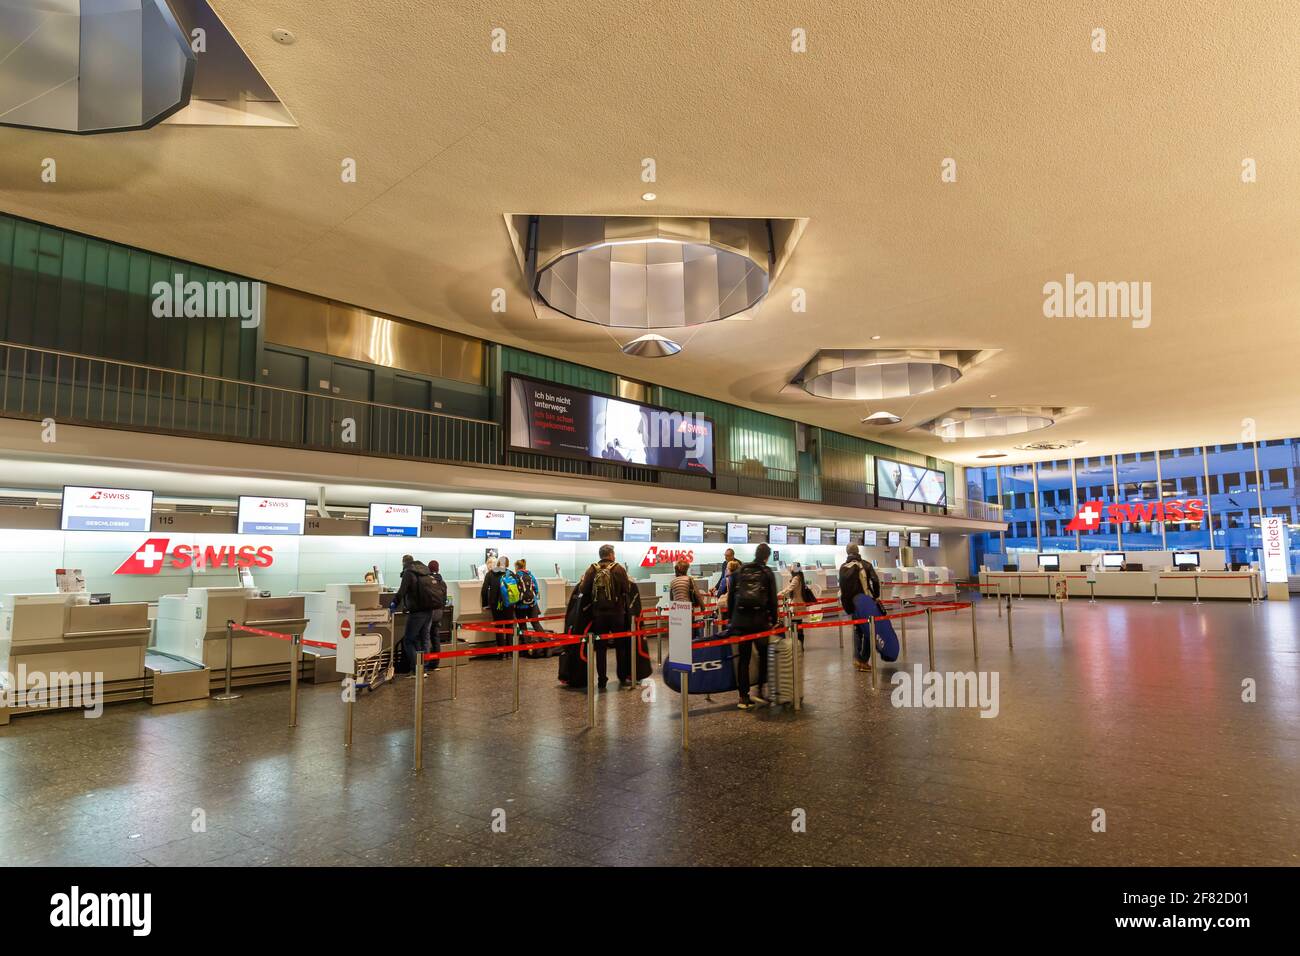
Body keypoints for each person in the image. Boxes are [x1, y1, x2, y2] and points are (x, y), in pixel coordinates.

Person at [577, 544, 636, 689]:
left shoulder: (592, 569)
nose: (614, 556)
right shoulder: (618, 568)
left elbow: (583, 590)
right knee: (620, 646)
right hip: (617, 613)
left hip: (599, 614)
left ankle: (602, 680)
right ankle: (622, 676)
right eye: (613, 553)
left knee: (601, 647)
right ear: (610, 554)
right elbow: (627, 589)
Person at [728, 543, 779, 710]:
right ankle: (760, 691)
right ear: (767, 556)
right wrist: (773, 620)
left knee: (744, 659)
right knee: (764, 655)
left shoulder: (739, 571)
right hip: (760, 621)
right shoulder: (767, 572)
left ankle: (743, 697)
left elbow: (731, 599)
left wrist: (731, 619)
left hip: (741, 621)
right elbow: (772, 599)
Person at [839, 543, 882, 672]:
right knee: (869, 631)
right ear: (857, 551)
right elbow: (875, 580)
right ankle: (863, 660)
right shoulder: (866, 564)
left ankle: (857, 659)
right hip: (865, 602)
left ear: (847, 553)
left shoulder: (843, 567)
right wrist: (876, 596)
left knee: (857, 630)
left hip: (851, 603)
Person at [392, 554, 435, 676]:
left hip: (417, 612)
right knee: (424, 639)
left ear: (404, 563)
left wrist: (394, 604)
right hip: (429, 610)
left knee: (408, 640)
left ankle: (417, 669)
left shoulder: (408, 572)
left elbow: (402, 591)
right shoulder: (424, 570)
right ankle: (424, 668)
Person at [480, 556, 516, 660]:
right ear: (507, 564)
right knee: (509, 628)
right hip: (509, 604)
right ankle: (510, 653)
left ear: (498, 563)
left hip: (496, 605)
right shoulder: (511, 573)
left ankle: (501, 654)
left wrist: (485, 604)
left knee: (499, 628)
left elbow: (484, 590)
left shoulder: (490, 574)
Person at [424, 559, 447, 669]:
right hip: (439, 612)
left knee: (426, 637)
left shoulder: (428, 581)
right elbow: (444, 599)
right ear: (438, 569)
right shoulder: (442, 582)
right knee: (435, 636)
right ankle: (436, 663)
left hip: (429, 612)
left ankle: (426, 663)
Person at [514, 558, 545, 635]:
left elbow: (514, 592)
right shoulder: (530, 575)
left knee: (522, 626)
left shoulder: (516, 576)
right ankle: (545, 642)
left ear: (517, 567)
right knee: (536, 623)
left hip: (520, 605)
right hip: (532, 604)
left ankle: (526, 644)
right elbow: (536, 590)